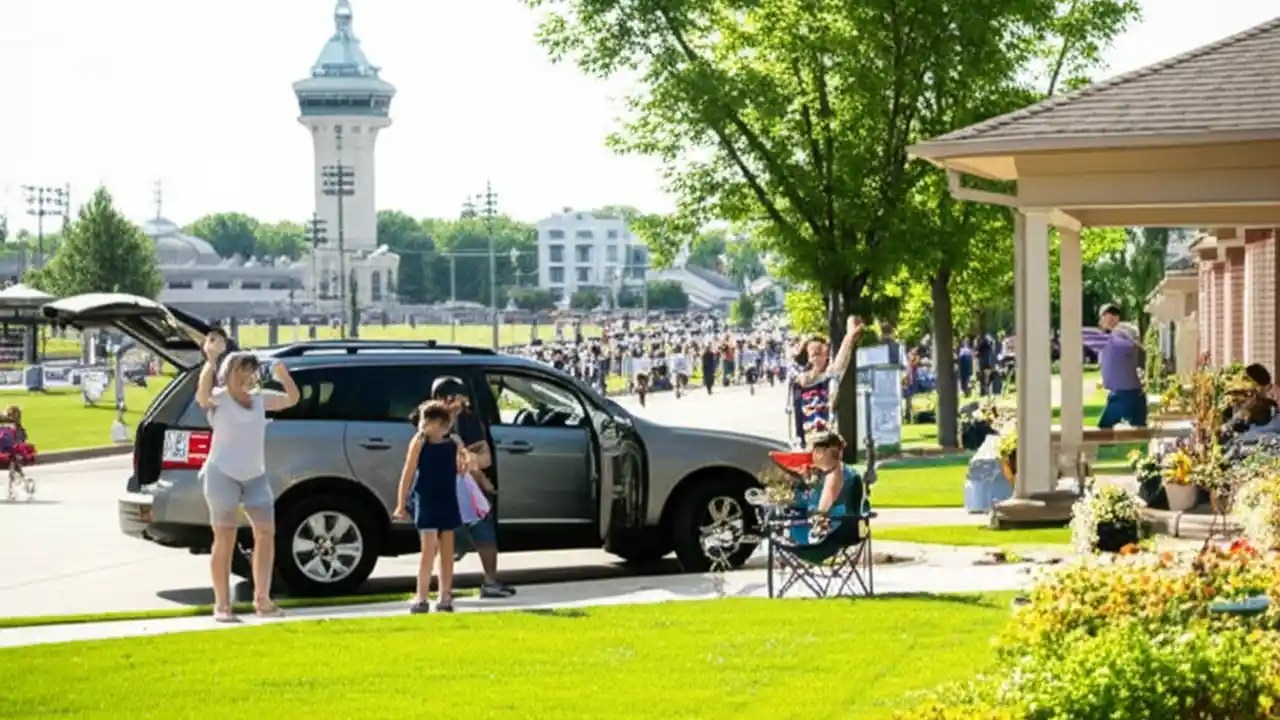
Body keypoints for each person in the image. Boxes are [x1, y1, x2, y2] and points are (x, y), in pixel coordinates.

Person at [194, 331, 300, 623]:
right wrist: (211, 359)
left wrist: (281, 372)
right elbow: (201, 395)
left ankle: (263, 600)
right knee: (224, 537)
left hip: (255, 476)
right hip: (222, 474)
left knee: (266, 533)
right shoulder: (220, 399)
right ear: (230, 372)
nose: (250, 376)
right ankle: (222, 605)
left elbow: (292, 398)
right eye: (244, 370)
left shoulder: (259, 400)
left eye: (253, 371)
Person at [432, 376, 515, 599]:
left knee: (484, 535)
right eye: (452, 397)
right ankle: (444, 589)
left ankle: (490, 581)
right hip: (445, 489)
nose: (457, 402)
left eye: (459, 397)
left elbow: (483, 456)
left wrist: (473, 467)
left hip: (468, 488)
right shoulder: (430, 423)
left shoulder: (469, 421)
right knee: (446, 541)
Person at [394, 400, 470, 613]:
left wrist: (464, 461)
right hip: (426, 499)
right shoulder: (419, 442)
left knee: (447, 550)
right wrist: (401, 503)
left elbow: (461, 469)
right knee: (428, 549)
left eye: (428, 420)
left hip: (447, 498)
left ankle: (445, 596)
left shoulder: (454, 443)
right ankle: (421, 596)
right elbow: (407, 473)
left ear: (440, 422)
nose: (423, 425)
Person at [790, 316, 862, 447]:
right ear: (808, 357)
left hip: (828, 437)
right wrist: (815, 367)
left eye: (821, 353)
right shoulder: (800, 378)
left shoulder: (830, 376)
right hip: (809, 439)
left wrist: (849, 337)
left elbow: (842, 359)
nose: (818, 357)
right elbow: (805, 380)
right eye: (814, 354)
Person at [1083, 304, 1146, 429]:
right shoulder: (1109, 342)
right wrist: (1104, 380)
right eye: (1105, 316)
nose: (1109, 319)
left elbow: (1081, 334)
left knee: (1103, 431)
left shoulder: (1119, 337)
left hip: (1123, 395)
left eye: (1112, 315)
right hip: (1132, 394)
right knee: (1140, 433)